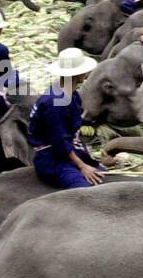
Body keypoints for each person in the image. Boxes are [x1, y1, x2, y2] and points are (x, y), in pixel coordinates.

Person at [28, 48, 104, 188]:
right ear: (78, 74)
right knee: (85, 191)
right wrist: (82, 166)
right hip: (52, 158)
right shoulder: (56, 103)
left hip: (68, 150)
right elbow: (60, 142)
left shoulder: (71, 93)